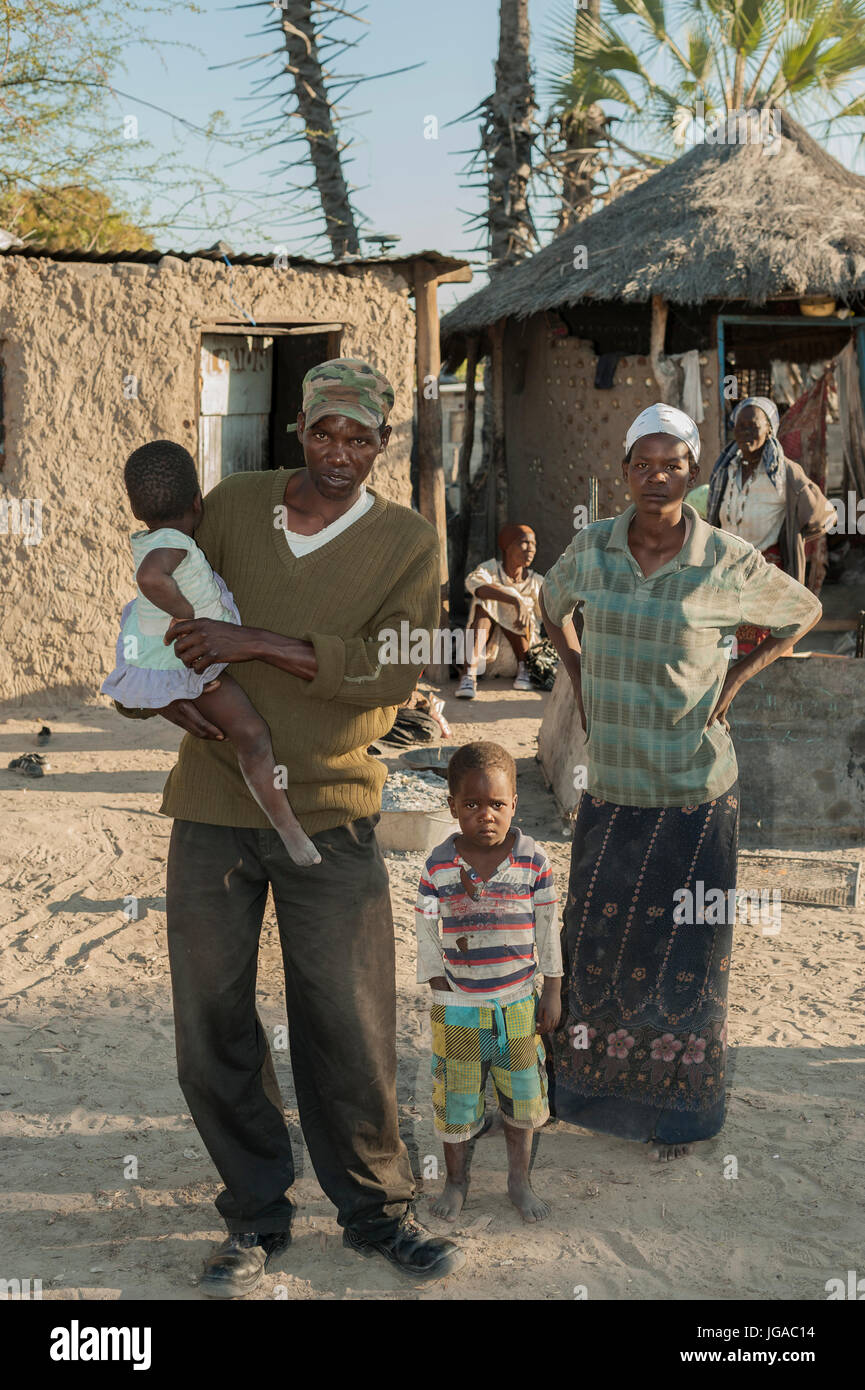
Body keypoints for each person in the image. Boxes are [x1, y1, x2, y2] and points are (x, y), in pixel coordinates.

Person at [112, 358, 464, 1294]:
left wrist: (256, 642)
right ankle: (255, 1216)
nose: (339, 452)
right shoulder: (235, 504)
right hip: (215, 807)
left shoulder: (407, 542)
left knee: (346, 1020)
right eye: (323, 433)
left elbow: (395, 671)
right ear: (297, 432)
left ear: (384, 443)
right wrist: (160, 692)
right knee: (211, 1024)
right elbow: (167, 594)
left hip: (335, 808)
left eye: (359, 437)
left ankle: (378, 1213)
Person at [540, 403, 822, 1161]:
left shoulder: (725, 558)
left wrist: (733, 681)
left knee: (686, 959)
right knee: (595, 948)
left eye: (672, 464)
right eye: (642, 463)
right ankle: (590, 1098)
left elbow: (802, 611)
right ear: (623, 472)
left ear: (690, 472)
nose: (656, 477)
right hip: (613, 789)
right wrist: (581, 679)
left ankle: (676, 1118)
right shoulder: (592, 548)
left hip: (696, 798)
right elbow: (549, 608)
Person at [102, 442, 320, 867]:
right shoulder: (172, 542)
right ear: (199, 501)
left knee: (248, 735)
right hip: (187, 661)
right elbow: (150, 577)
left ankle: (284, 826)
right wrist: (185, 614)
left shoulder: (153, 538)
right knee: (253, 737)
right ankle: (289, 829)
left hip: (172, 658)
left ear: (134, 509)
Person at [415, 741, 562, 1222]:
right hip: (457, 1005)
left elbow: (547, 929)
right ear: (452, 805)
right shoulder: (439, 865)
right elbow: (425, 926)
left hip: (517, 1003)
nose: (486, 815)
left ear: (514, 804)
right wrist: (439, 982)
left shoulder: (534, 861)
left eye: (497, 804)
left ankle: (519, 1181)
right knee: (455, 1097)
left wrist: (553, 989)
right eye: (472, 805)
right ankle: (456, 1183)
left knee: (521, 1095)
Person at [707, 395, 834, 653]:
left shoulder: (784, 473)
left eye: (753, 425)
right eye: (740, 426)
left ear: (769, 429)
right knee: (726, 649)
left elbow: (827, 515)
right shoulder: (725, 471)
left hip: (764, 573)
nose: (745, 432)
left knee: (763, 650)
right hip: (727, 572)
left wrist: (794, 536)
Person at [456, 524, 543, 697]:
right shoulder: (489, 570)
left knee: (503, 600)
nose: (531, 549)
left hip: (521, 652)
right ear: (507, 546)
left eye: (533, 544)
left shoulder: (536, 582)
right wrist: (515, 600)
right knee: (487, 600)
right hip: (488, 656)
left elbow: (548, 617)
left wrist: (519, 605)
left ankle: (523, 668)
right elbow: (474, 585)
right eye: (524, 543)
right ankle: (469, 676)